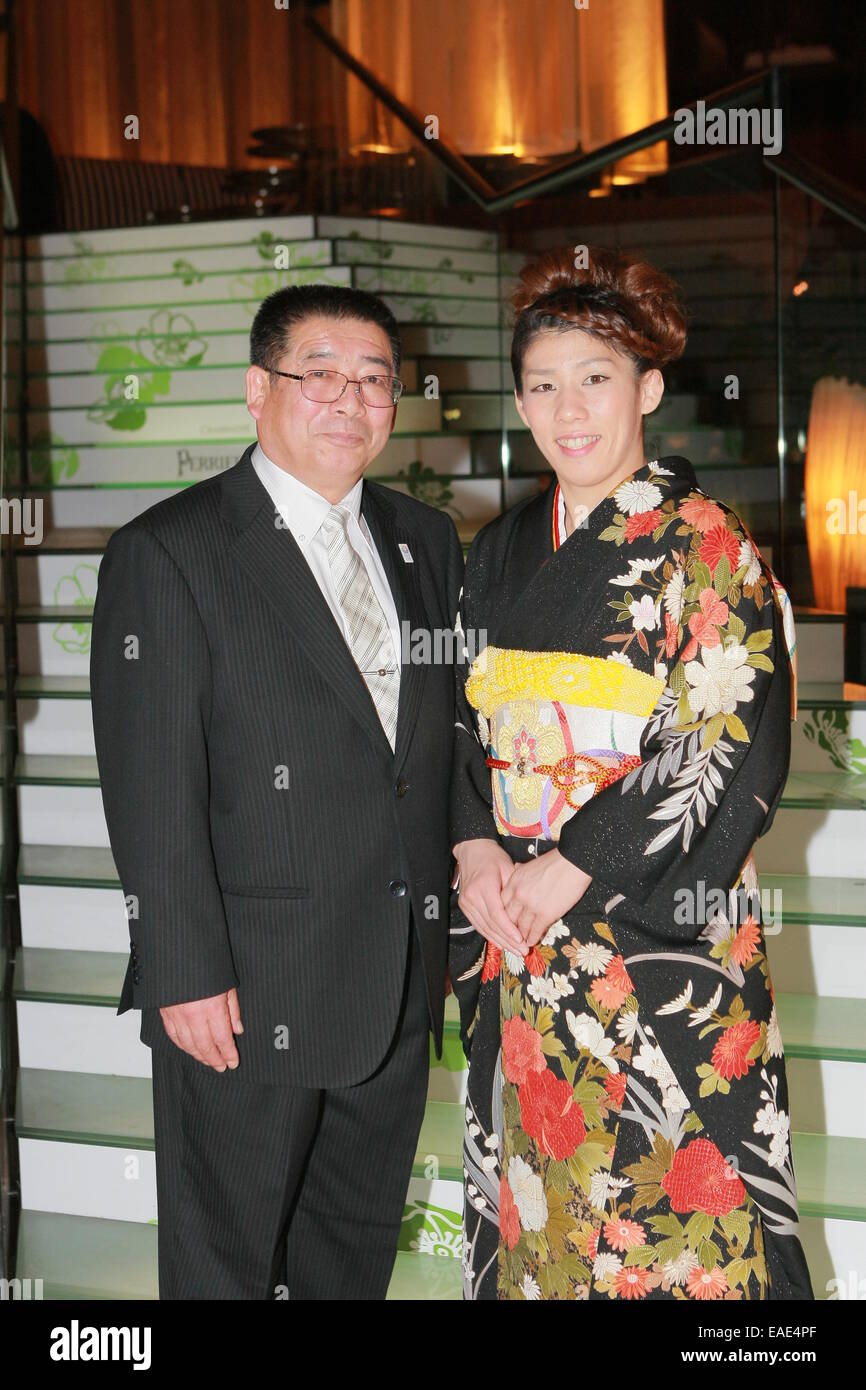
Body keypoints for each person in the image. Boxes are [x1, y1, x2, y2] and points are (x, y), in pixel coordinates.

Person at [449, 245, 814, 1301]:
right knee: (544, 1203)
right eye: (543, 385)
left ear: (648, 388)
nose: (568, 410)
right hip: (521, 933)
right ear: (518, 400)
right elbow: (451, 721)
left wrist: (570, 863)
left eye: (594, 379)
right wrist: (474, 847)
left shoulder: (708, 547)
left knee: (678, 1214)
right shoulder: (501, 550)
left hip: (655, 933)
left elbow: (722, 735)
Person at [90, 284, 463, 1299]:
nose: (351, 397)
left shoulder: (422, 542)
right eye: (321, 373)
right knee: (226, 1262)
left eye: (374, 379)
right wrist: (183, 967)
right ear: (258, 390)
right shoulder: (170, 550)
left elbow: (433, 749)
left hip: (391, 975)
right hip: (244, 987)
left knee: (349, 1251)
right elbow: (150, 783)